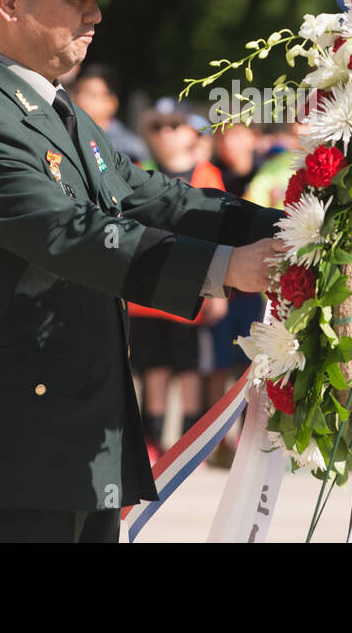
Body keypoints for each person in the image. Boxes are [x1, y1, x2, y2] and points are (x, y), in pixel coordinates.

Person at [0, 0, 283, 542]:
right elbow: (69, 233)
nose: (95, 15)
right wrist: (227, 269)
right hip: (6, 462)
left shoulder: (52, 108)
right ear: (9, 1)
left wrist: (295, 226)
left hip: (76, 447)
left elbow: (153, 197)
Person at [127, 98, 227, 460]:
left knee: (188, 368)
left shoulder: (208, 175)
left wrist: (220, 292)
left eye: (174, 125)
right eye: (158, 126)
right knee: (152, 368)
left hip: (192, 284)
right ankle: (151, 441)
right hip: (146, 290)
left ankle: (187, 442)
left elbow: (222, 234)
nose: (166, 133)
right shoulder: (140, 170)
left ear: (190, 131)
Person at [72, 63, 149, 164]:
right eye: (77, 92)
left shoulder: (129, 148)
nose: (80, 100)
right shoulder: (67, 135)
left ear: (112, 103)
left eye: (91, 95)